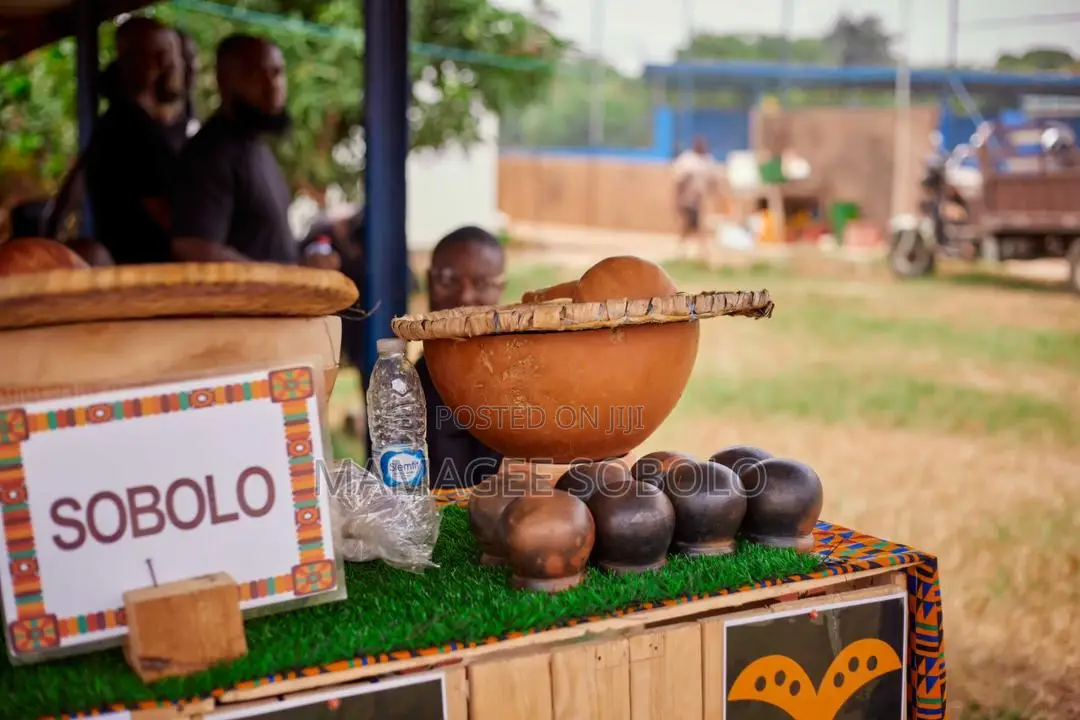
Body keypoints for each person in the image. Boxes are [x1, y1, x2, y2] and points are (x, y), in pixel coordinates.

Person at [170, 34, 339, 270]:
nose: (271, 86)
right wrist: (281, 277)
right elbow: (194, 248)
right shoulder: (212, 152)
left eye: (277, 72)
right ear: (223, 80)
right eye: (254, 74)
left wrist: (304, 263)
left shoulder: (256, 146)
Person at [83, 17, 186, 265]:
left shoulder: (130, 124)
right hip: (145, 278)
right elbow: (169, 216)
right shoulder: (129, 130)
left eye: (173, 55)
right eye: (159, 54)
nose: (171, 65)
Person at [417, 226, 507, 489]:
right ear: (429, 282)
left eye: (480, 283)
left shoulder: (522, 384)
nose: (465, 296)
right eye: (449, 279)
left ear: (502, 288)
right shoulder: (409, 389)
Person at [671, 136, 718, 257]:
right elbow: (679, 182)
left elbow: (712, 181)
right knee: (690, 225)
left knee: (696, 226)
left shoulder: (708, 160)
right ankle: (688, 251)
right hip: (687, 199)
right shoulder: (686, 161)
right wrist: (678, 200)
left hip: (700, 200)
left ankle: (695, 251)